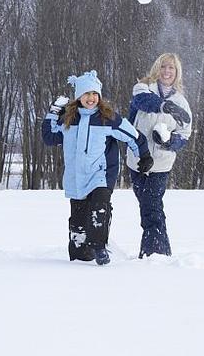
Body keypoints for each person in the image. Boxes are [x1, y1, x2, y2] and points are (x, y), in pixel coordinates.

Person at [42, 70, 153, 266]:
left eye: (94, 94)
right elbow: (50, 137)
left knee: (99, 208)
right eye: (86, 94)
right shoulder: (68, 120)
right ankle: (80, 252)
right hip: (77, 177)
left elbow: (132, 135)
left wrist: (143, 155)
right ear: (78, 97)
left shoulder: (108, 118)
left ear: (99, 97)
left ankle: (99, 246)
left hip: (101, 174)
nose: (91, 98)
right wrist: (53, 113)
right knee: (78, 221)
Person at [125, 53, 192, 258]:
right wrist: (165, 107)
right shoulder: (143, 88)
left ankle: (154, 253)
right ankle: (159, 253)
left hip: (161, 164)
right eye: (163, 67)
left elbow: (185, 134)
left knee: (152, 207)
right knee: (148, 207)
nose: (167, 71)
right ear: (157, 68)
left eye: (171, 68)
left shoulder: (181, 101)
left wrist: (169, 141)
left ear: (177, 73)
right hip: (137, 161)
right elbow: (143, 103)